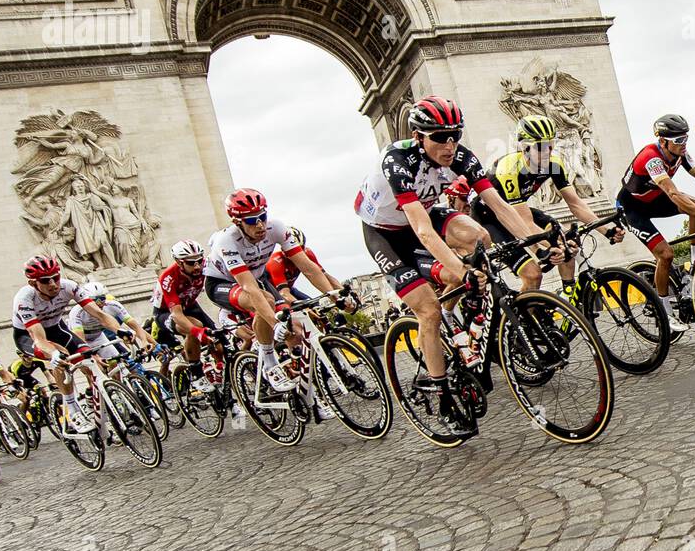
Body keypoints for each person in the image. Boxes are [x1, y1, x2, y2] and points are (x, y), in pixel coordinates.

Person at [356, 96, 558, 421]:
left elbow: (499, 205)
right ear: (419, 137)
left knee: (479, 236)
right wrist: (460, 270)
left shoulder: (460, 155)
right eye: (439, 137)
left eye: (455, 135)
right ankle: (442, 393)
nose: (449, 145)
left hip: (427, 212)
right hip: (389, 233)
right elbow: (422, 231)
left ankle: (470, 316)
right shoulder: (397, 159)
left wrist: (536, 245)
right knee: (429, 310)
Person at [470, 115, 624, 295]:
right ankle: (524, 317)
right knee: (534, 275)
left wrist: (607, 230)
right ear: (525, 148)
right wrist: (550, 243)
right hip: (489, 219)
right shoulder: (510, 168)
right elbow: (524, 222)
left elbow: (576, 204)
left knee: (566, 240)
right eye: (541, 147)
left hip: (518, 211)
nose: (548, 151)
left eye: (551, 145)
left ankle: (569, 295)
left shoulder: (553, 164)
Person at [204, 189, 338, 393]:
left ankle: (309, 393)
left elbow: (309, 268)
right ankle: (268, 363)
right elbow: (249, 287)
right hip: (221, 283)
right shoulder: (227, 241)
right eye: (251, 221)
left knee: (294, 327)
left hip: (258, 277)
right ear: (237, 223)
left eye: (262, 217)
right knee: (263, 300)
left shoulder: (276, 228)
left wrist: (334, 294)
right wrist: (274, 324)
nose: (259, 225)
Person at [620, 114, 695, 332]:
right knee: (666, 255)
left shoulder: (680, 154)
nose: (684, 145)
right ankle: (665, 312)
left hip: (654, 200)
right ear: (663, 141)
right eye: (679, 141)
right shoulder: (652, 158)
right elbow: (673, 194)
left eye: (686, 139)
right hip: (633, 208)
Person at [11, 255, 122, 433]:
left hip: (57, 328)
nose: (53, 284)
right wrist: (53, 354)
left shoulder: (69, 286)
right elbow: (39, 339)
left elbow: (100, 315)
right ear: (33, 283)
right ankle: (72, 410)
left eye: (55, 277)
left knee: (89, 358)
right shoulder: (24, 299)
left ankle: (98, 407)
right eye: (45, 281)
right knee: (60, 356)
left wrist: (121, 331)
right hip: (29, 336)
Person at [152, 239, 219, 392]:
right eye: (190, 263)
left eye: (199, 261)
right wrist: (198, 333)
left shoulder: (204, 268)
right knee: (195, 327)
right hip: (167, 312)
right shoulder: (168, 277)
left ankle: (224, 377)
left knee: (219, 341)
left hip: (191, 306)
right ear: (179, 262)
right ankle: (196, 374)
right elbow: (177, 315)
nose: (197, 266)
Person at [68, 281, 155, 368]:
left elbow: (136, 327)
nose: (100, 304)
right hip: (79, 341)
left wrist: (144, 342)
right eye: (96, 301)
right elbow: (81, 340)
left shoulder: (112, 305)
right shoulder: (77, 312)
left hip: (98, 337)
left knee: (117, 364)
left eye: (102, 299)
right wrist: (94, 356)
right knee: (92, 370)